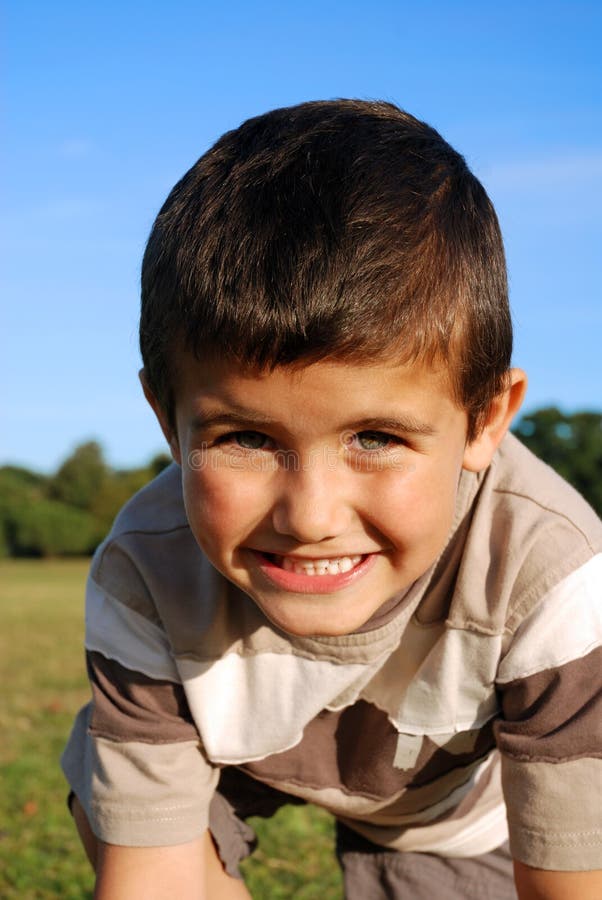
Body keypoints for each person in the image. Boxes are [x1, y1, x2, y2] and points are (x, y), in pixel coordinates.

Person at [62, 99, 602, 899]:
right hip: (230, 756)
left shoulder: (549, 574)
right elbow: (152, 881)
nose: (310, 516)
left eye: (377, 438)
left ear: (485, 419)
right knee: (119, 803)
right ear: (167, 422)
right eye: (244, 438)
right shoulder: (148, 568)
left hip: (455, 809)